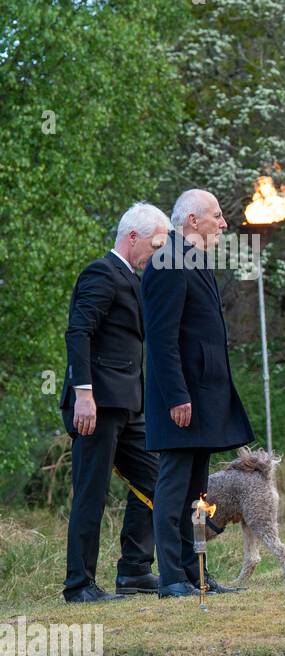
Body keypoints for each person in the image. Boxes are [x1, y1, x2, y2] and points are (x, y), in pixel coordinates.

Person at [141, 189, 253, 597]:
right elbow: (161, 339)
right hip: (182, 399)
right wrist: (176, 396)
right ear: (192, 221)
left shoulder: (192, 260)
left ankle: (194, 573)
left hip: (203, 396)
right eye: (217, 216)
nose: (224, 224)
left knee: (196, 491)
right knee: (173, 487)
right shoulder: (166, 263)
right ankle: (171, 576)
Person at [59, 203, 171, 603]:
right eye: (157, 245)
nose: (159, 254)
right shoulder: (101, 273)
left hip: (129, 406)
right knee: (91, 491)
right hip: (97, 405)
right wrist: (83, 394)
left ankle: (135, 570)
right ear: (133, 237)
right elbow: (79, 333)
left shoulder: (133, 279)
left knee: (158, 480)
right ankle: (79, 585)